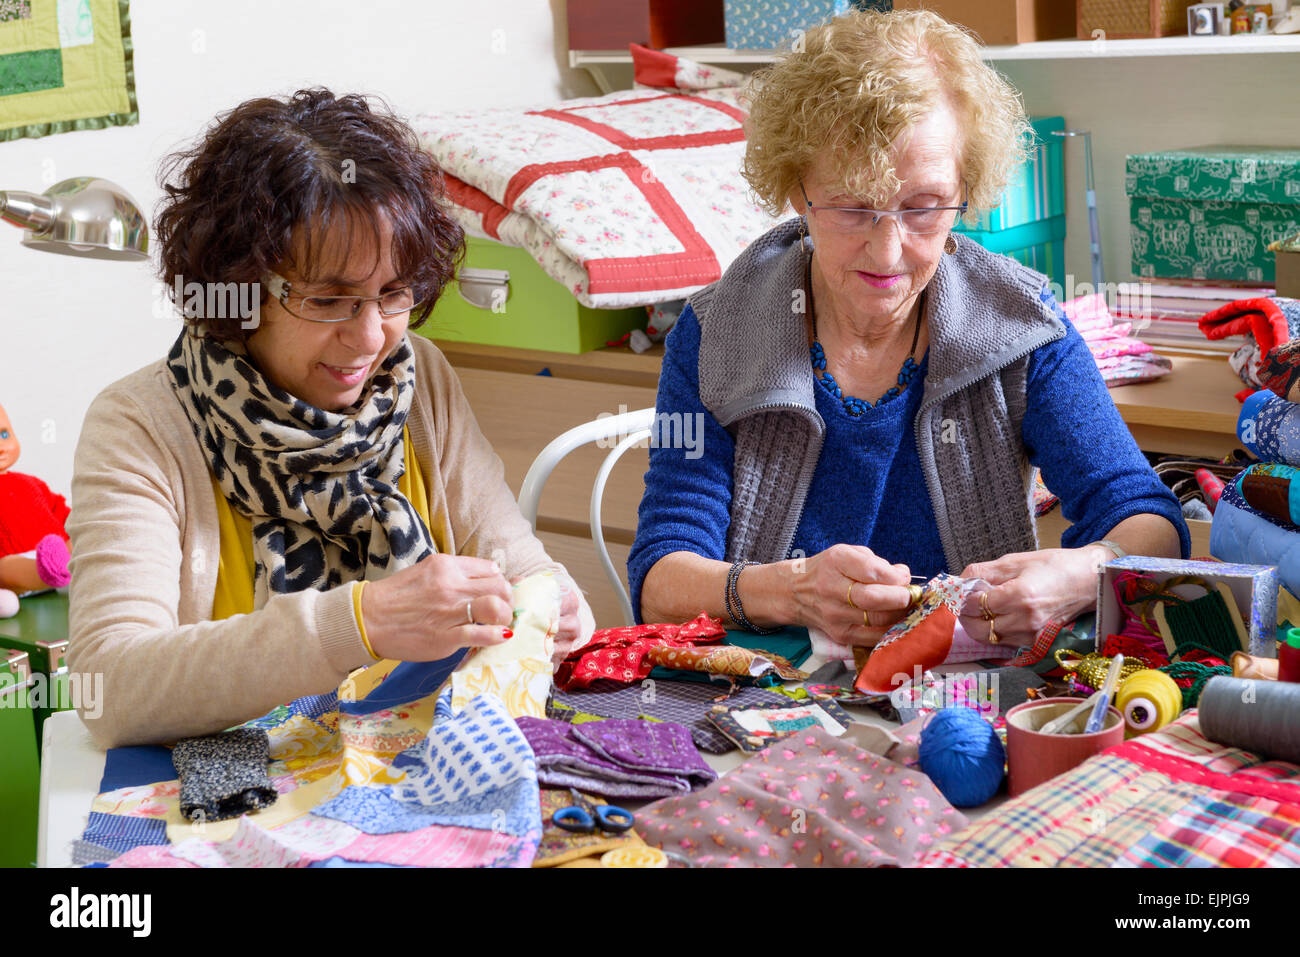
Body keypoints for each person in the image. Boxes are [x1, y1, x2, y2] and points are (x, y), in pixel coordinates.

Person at [628, 10, 1188, 649]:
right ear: (796, 190)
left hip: (968, 695)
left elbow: (1150, 518)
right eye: (850, 208)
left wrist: (1082, 574)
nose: (888, 252)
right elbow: (660, 577)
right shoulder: (718, 335)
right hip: (768, 699)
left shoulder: (1022, 327)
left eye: (923, 207)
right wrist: (794, 591)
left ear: (966, 188)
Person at [67, 89, 593, 748]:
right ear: (238, 289)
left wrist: (558, 607)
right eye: (329, 300)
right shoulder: (140, 426)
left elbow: (520, 562)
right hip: (240, 782)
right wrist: (360, 621)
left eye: (393, 293)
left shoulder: (417, 376)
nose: (371, 337)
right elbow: (109, 686)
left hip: (414, 760)